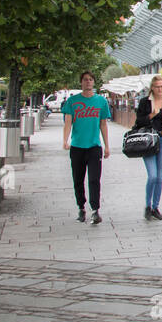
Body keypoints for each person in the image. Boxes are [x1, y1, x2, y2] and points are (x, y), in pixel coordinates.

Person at [62, 71, 111, 224]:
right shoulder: (72, 101)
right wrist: (65, 140)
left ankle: (95, 210)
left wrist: (107, 146)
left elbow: (103, 124)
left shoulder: (101, 102)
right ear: (81, 82)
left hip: (94, 146)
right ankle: (81, 207)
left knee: (94, 179)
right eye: (85, 80)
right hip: (77, 146)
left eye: (90, 79)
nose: (88, 82)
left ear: (94, 82)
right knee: (78, 179)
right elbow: (68, 122)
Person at [135, 75, 162, 221]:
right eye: (157, 86)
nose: (160, 89)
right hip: (148, 142)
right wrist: (152, 115)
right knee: (152, 175)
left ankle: (155, 207)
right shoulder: (145, 103)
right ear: (152, 88)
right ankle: (147, 205)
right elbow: (138, 121)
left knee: (159, 177)